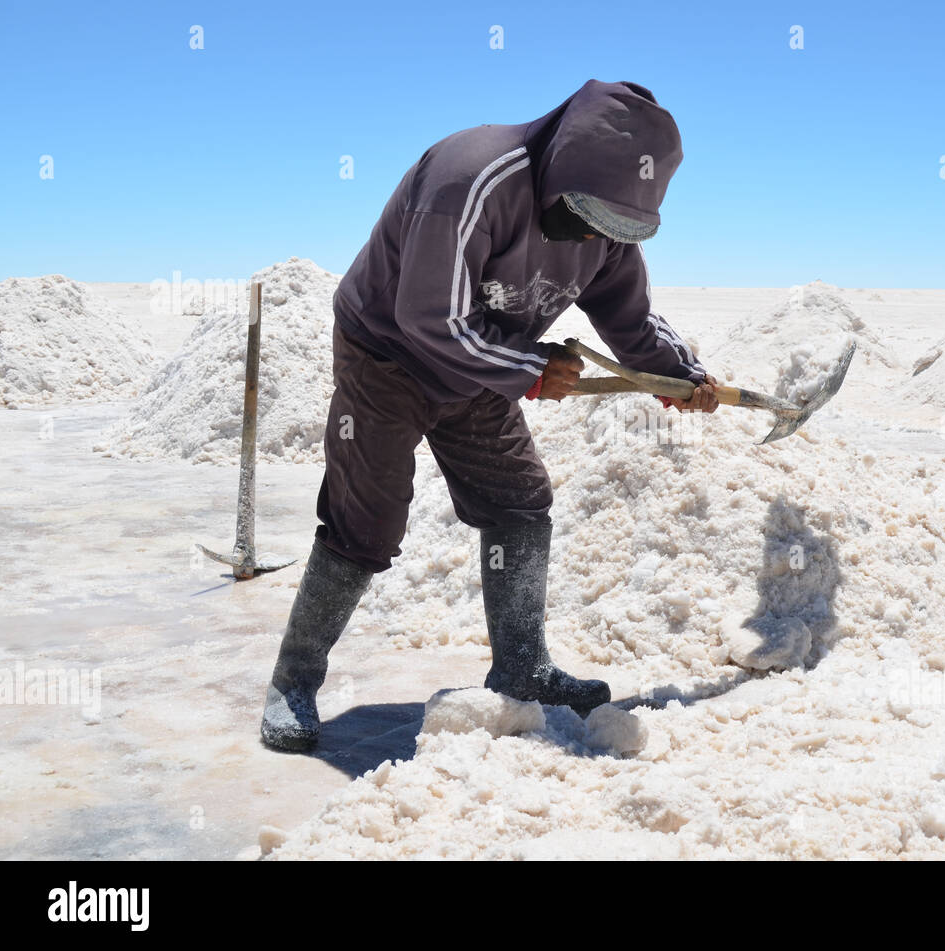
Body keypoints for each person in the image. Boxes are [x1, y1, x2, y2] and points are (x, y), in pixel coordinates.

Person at [261, 79, 719, 751]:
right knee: (368, 520)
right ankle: (292, 681)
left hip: (482, 362)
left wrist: (679, 375)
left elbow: (631, 319)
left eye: (619, 226)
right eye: (592, 215)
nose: (599, 235)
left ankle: (522, 666)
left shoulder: (608, 224)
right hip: (389, 355)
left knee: (520, 502)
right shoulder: (471, 178)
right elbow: (430, 320)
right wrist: (531, 371)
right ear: (565, 168)